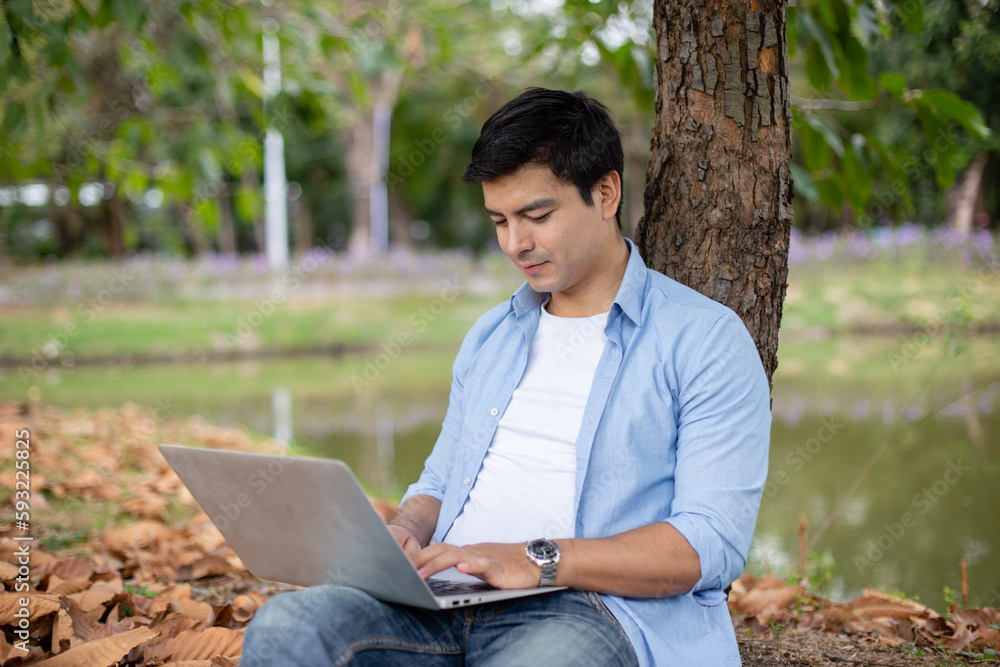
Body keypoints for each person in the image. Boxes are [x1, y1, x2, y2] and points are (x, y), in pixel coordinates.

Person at [242, 87, 770, 666]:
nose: (516, 244)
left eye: (537, 216)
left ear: (606, 192)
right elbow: (440, 482)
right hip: (443, 595)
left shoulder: (704, 340)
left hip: (585, 609)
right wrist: (406, 534)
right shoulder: (492, 336)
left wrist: (537, 559)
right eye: (500, 220)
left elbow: (709, 544)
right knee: (288, 626)